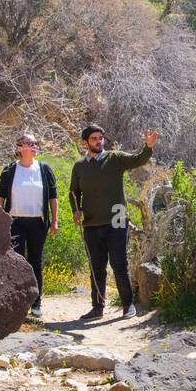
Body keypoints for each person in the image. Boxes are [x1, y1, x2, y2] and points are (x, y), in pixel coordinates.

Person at [69, 124, 157, 320]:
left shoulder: (115, 158)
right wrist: (76, 211)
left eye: (101, 138)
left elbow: (138, 159)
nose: (99, 141)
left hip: (117, 219)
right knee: (97, 267)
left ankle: (128, 306)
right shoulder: (79, 167)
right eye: (94, 139)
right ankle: (97, 308)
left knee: (119, 264)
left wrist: (148, 147)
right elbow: (73, 193)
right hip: (91, 223)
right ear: (85, 143)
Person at [0, 131, 58, 319]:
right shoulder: (9, 170)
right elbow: (0, 197)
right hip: (15, 223)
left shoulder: (44, 169)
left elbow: (53, 198)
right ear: (19, 148)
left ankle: (36, 303)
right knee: (16, 261)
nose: (33, 146)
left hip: (38, 222)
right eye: (29, 143)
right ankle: (17, 302)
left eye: (35, 143)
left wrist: (54, 220)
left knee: (35, 261)